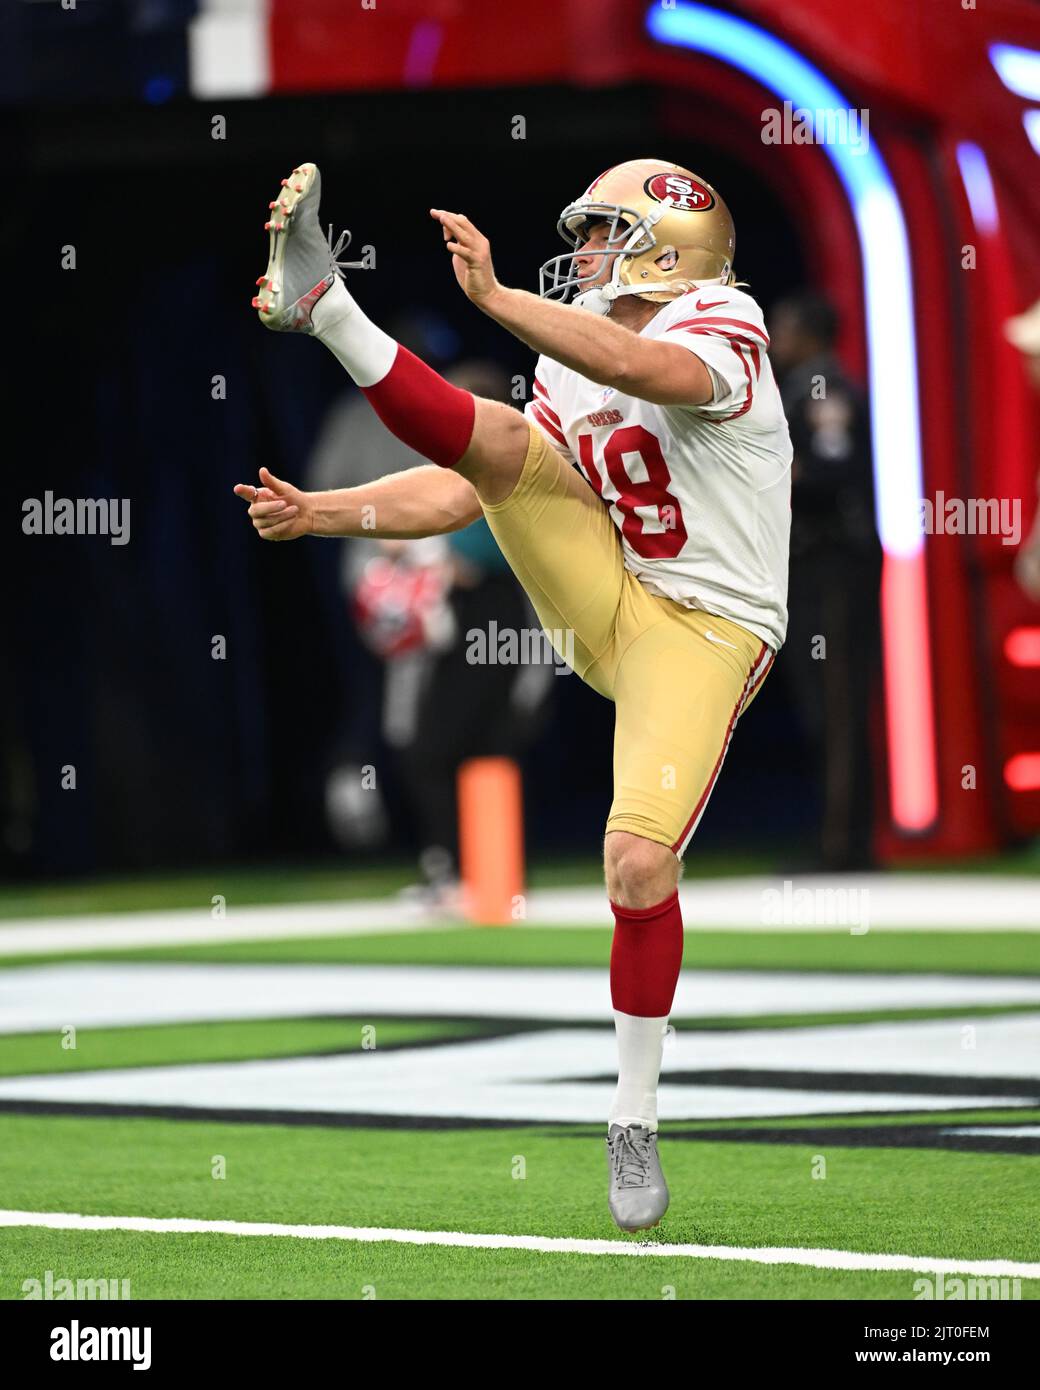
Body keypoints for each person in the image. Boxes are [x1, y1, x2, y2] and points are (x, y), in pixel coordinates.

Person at [234, 158, 792, 1232]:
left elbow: (650, 369)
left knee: (635, 863)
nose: (583, 253)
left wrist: (495, 301)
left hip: (707, 628)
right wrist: (328, 513)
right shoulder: (572, 350)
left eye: (603, 234)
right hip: (607, 595)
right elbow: (468, 475)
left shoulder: (721, 319)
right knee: (500, 433)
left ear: (668, 250)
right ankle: (328, 307)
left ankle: (633, 1115)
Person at [769, 293, 881, 870]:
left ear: (810, 332)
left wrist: (770, 476)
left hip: (834, 564)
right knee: (823, 705)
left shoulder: (821, 385)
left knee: (837, 704)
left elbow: (831, 470)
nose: (775, 336)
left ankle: (845, 846)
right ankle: (840, 838)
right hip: (814, 565)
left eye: (784, 325)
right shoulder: (798, 386)